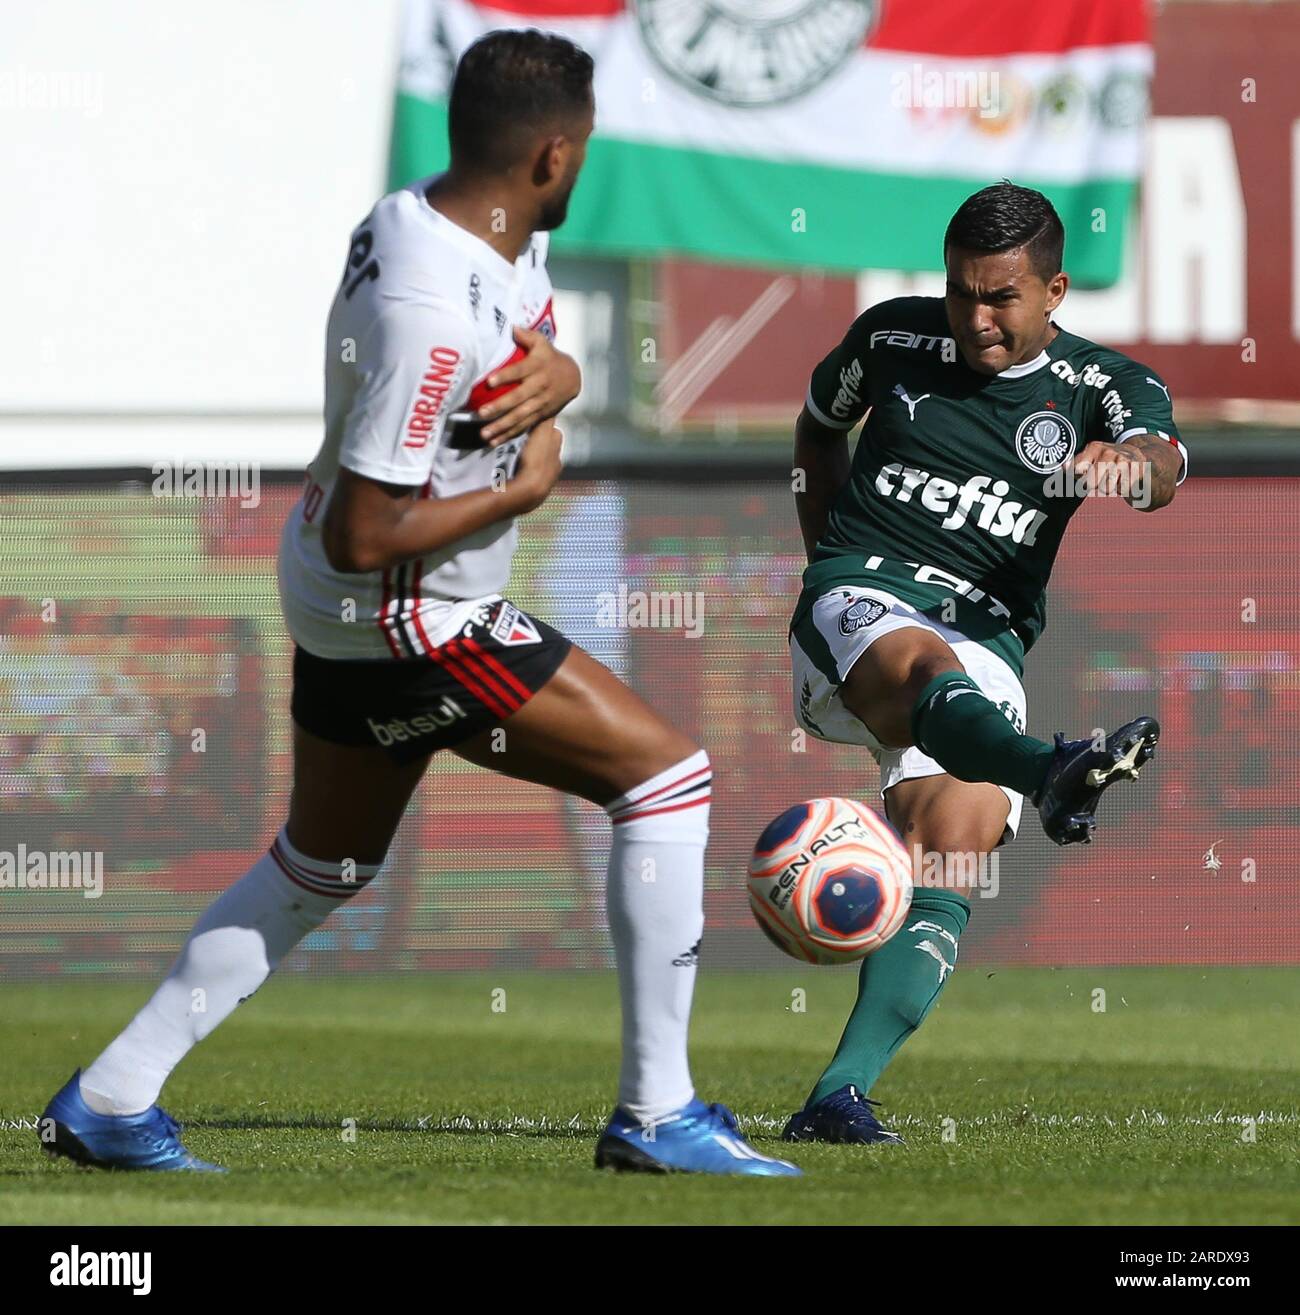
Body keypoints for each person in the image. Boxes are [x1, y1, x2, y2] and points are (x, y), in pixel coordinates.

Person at [39, 29, 796, 1179]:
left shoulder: (437, 216)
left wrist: (566, 376)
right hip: (408, 617)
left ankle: (109, 1096)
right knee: (665, 778)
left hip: (342, 603)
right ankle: (657, 1113)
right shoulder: (428, 311)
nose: (582, 164)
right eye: (585, 147)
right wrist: (526, 490)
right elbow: (367, 529)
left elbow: (522, 340)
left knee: (325, 864)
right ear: (552, 155)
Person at [782, 181, 1185, 1145]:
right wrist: (822, 556)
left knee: (951, 843)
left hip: (988, 636)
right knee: (925, 671)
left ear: (1055, 290)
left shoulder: (1098, 385)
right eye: (961, 292)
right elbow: (817, 425)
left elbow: (1162, 462)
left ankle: (836, 1097)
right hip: (863, 599)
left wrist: (1129, 467)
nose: (976, 318)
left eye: (1000, 296)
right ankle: (1052, 769)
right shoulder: (891, 337)